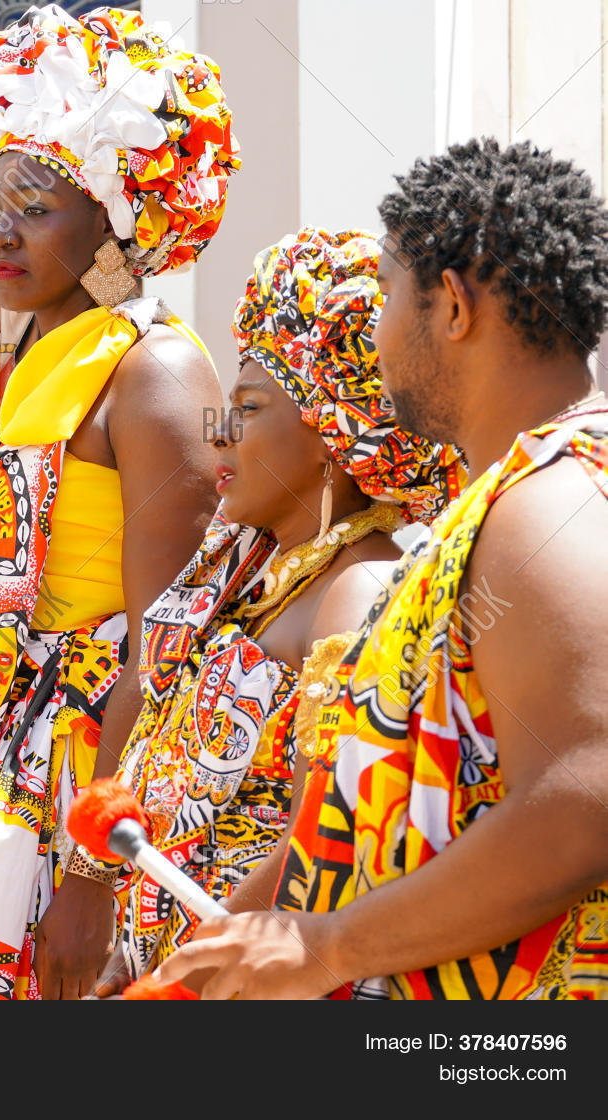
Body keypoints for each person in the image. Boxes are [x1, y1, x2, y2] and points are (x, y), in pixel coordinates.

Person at [157, 138, 608, 1000]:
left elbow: (585, 799)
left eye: (388, 295)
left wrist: (330, 948)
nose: (376, 332)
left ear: (452, 304)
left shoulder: (546, 503)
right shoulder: (510, 497)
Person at [0, 5, 239, 999]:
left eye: (34, 207)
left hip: (76, 794)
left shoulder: (153, 370)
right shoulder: (27, 358)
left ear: (114, 212)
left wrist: (95, 869)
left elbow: (169, 647)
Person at [105, 228, 463, 989]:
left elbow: (320, 831)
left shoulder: (362, 591)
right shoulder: (249, 565)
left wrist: (188, 971)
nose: (221, 432)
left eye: (250, 407)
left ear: (333, 435)